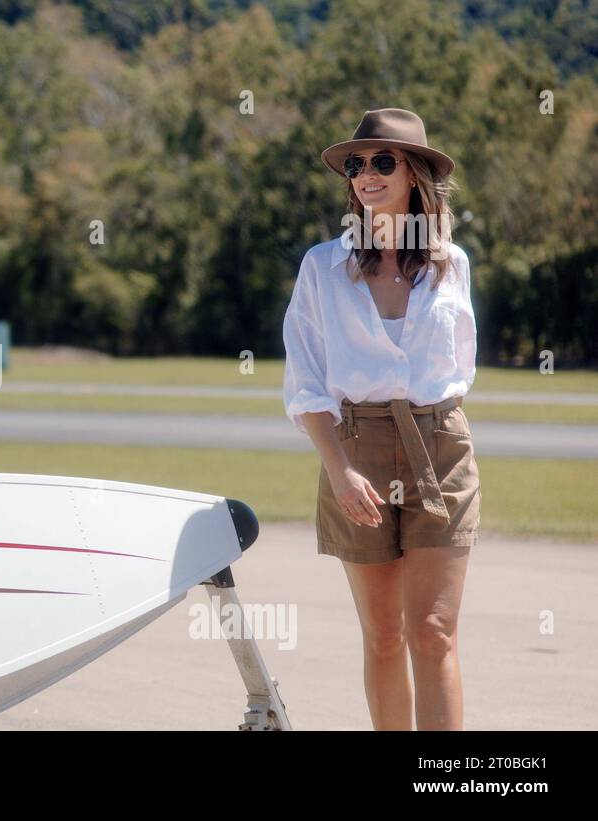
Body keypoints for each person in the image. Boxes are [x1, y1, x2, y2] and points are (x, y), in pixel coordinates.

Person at [282, 108, 479, 730]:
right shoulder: (322, 267)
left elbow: (459, 367)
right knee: (385, 636)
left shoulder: (453, 265)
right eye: (358, 165)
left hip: (440, 450)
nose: (367, 174)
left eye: (383, 161)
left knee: (434, 633)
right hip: (354, 450)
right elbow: (306, 382)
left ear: (415, 174)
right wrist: (338, 470)